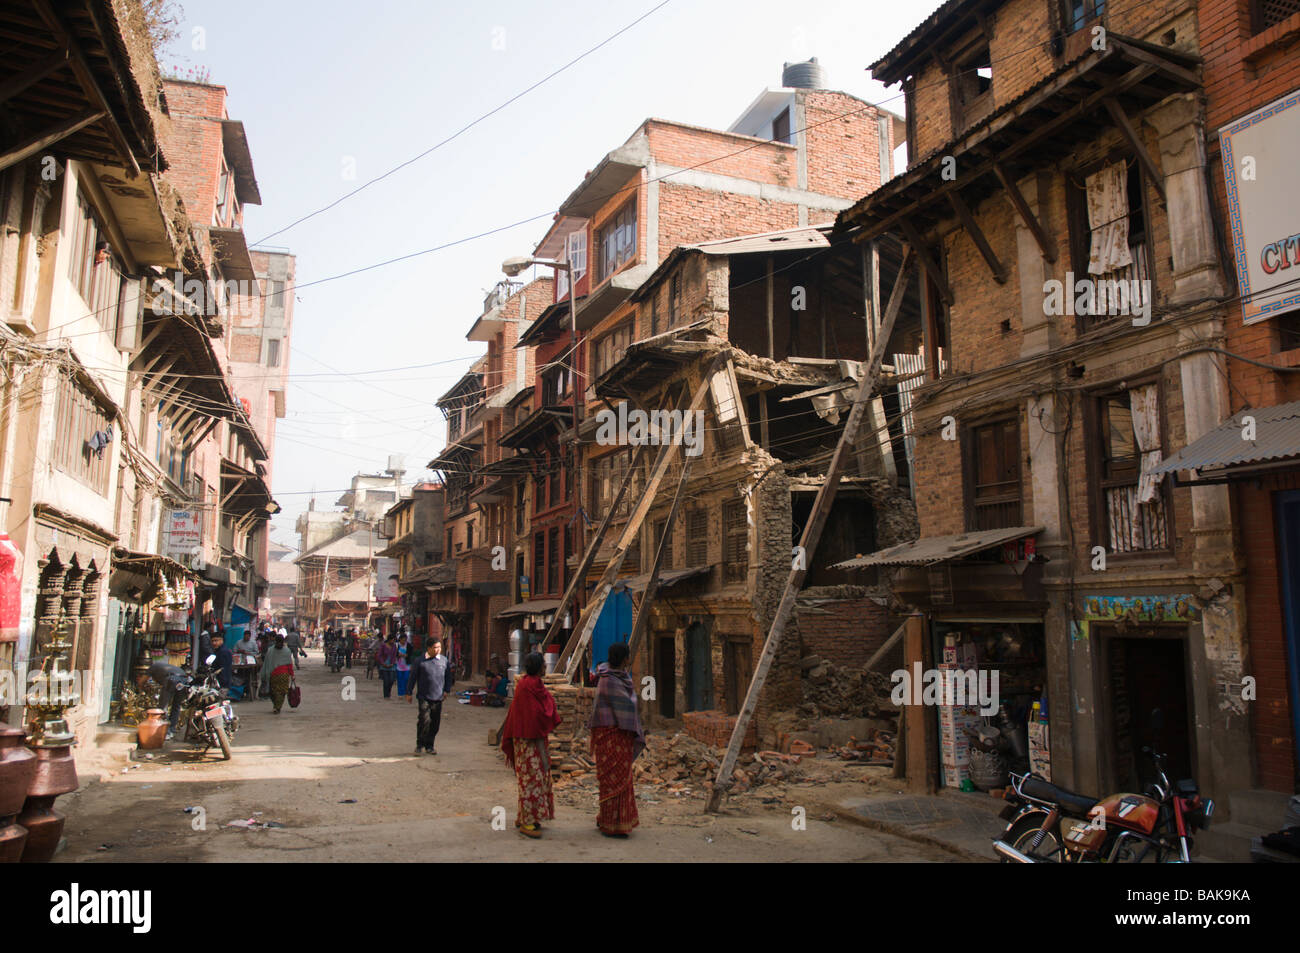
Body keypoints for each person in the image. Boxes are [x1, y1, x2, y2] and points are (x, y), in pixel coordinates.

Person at [500, 653, 561, 838]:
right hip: (526, 740)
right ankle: (527, 822)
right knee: (530, 780)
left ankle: (526, 815)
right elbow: (536, 715)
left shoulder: (532, 684)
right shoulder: (528, 686)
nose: (545, 668)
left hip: (534, 739)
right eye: (543, 665)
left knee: (536, 778)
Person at [588, 642, 645, 838]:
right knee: (611, 780)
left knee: (622, 778)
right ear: (624, 659)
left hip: (621, 736)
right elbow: (627, 706)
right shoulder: (608, 680)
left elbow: (628, 703)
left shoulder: (622, 678)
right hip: (610, 736)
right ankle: (609, 822)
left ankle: (620, 821)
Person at [407, 638, 448, 755]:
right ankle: (419, 744)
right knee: (424, 720)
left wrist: (446, 690)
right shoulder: (420, 661)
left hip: (438, 697)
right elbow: (412, 677)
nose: (438, 650)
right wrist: (409, 692)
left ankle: (430, 745)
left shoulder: (444, 661)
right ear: (428, 648)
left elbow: (448, 677)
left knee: (435, 723)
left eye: (439, 647)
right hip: (424, 696)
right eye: (435, 647)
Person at [260, 631, 297, 714]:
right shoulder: (272, 651)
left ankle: (277, 707)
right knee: (276, 693)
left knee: (279, 692)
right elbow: (267, 663)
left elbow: (289, 664)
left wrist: (292, 675)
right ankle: (277, 706)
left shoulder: (285, 651)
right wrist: (292, 675)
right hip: (275, 675)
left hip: (280, 675)